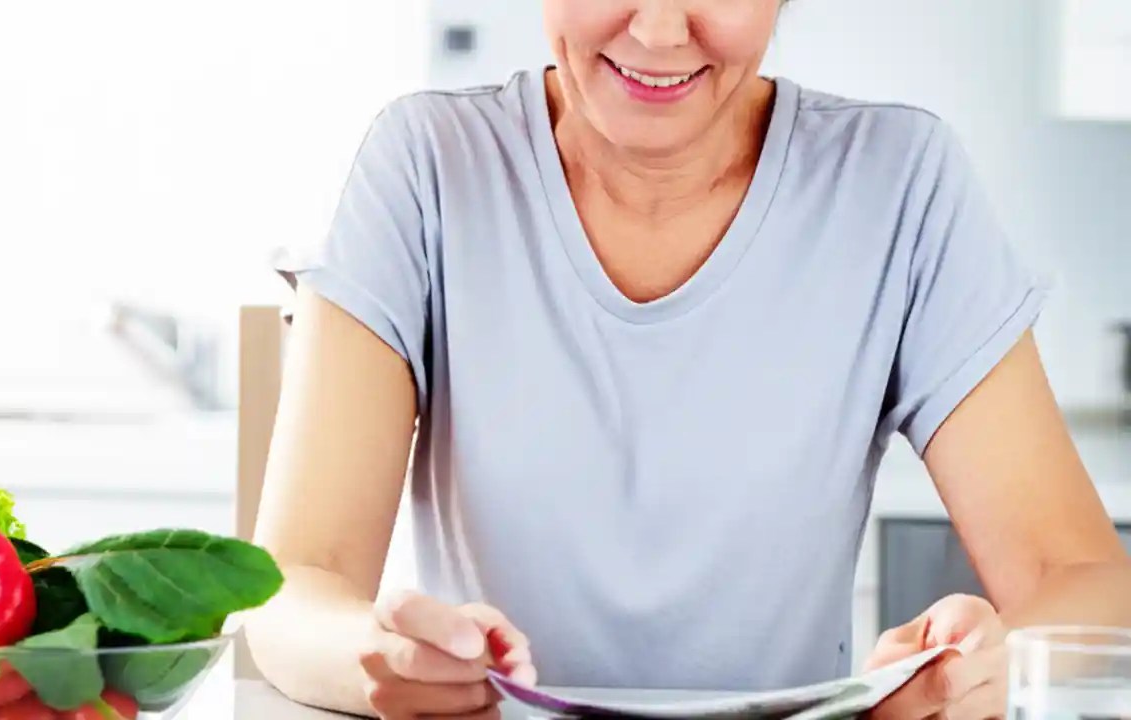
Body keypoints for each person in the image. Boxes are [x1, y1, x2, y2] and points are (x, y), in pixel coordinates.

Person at [247, 1, 1131, 718]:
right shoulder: (427, 166)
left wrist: (989, 668)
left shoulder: (899, 182)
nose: (661, 31)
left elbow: (1082, 580)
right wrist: (381, 660)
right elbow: (293, 586)